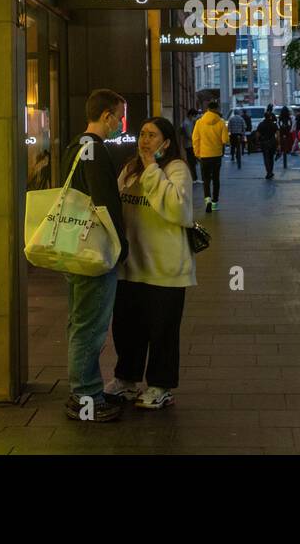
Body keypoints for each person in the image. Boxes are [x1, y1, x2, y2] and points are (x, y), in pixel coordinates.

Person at [105, 116, 195, 410]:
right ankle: (126, 379)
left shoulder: (176, 169)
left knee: (162, 331)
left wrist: (152, 170)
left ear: (166, 143)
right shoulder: (129, 170)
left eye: (152, 136)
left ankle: (160, 385)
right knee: (127, 328)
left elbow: (178, 211)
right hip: (130, 266)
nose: (144, 140)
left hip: (165, 270)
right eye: (142, 134)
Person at [58, 88, 130, 422]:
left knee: (80, 321)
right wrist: (120, 246)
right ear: (106, 116)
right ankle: (86, 397)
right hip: (93, 251)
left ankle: (85, 393)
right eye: (119, 116)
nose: (120, 124)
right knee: (90, 325)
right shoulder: (96, 151)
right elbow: (105, 205)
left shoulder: (74, 146)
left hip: (73, 245)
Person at [192, 100, 227, 214]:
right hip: (216, 155)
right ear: (216, 109)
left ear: (207, 109)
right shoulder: (221, 122)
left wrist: (197, 153)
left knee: (206, 179)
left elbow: (195, 139)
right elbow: (225, 140)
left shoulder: (199, 122)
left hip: (204, 155)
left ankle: (207, 200)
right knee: (216, 179)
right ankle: (215, 203)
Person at [257, 106, 279, 179]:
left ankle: (268, 172)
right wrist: (278, 143)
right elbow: (278, 133)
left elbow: (258, 134)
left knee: (266, 158)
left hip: (264, 143)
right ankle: (271, 171)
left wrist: (258, 141)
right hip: (272, 142)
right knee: (271, 157)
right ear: (270, 117)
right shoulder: (273, 124)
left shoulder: (261, 124)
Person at [179, 108, 199, 182]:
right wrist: (196, 140)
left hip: (190, 144)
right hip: (189, 145)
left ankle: (194, 178)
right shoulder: (187, 123)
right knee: (191, 162)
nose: (194, 118)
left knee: (192, 161)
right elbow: (189, 135)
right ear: (190, 115)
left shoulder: (189, 122)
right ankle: (193, 178)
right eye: (194, 116)